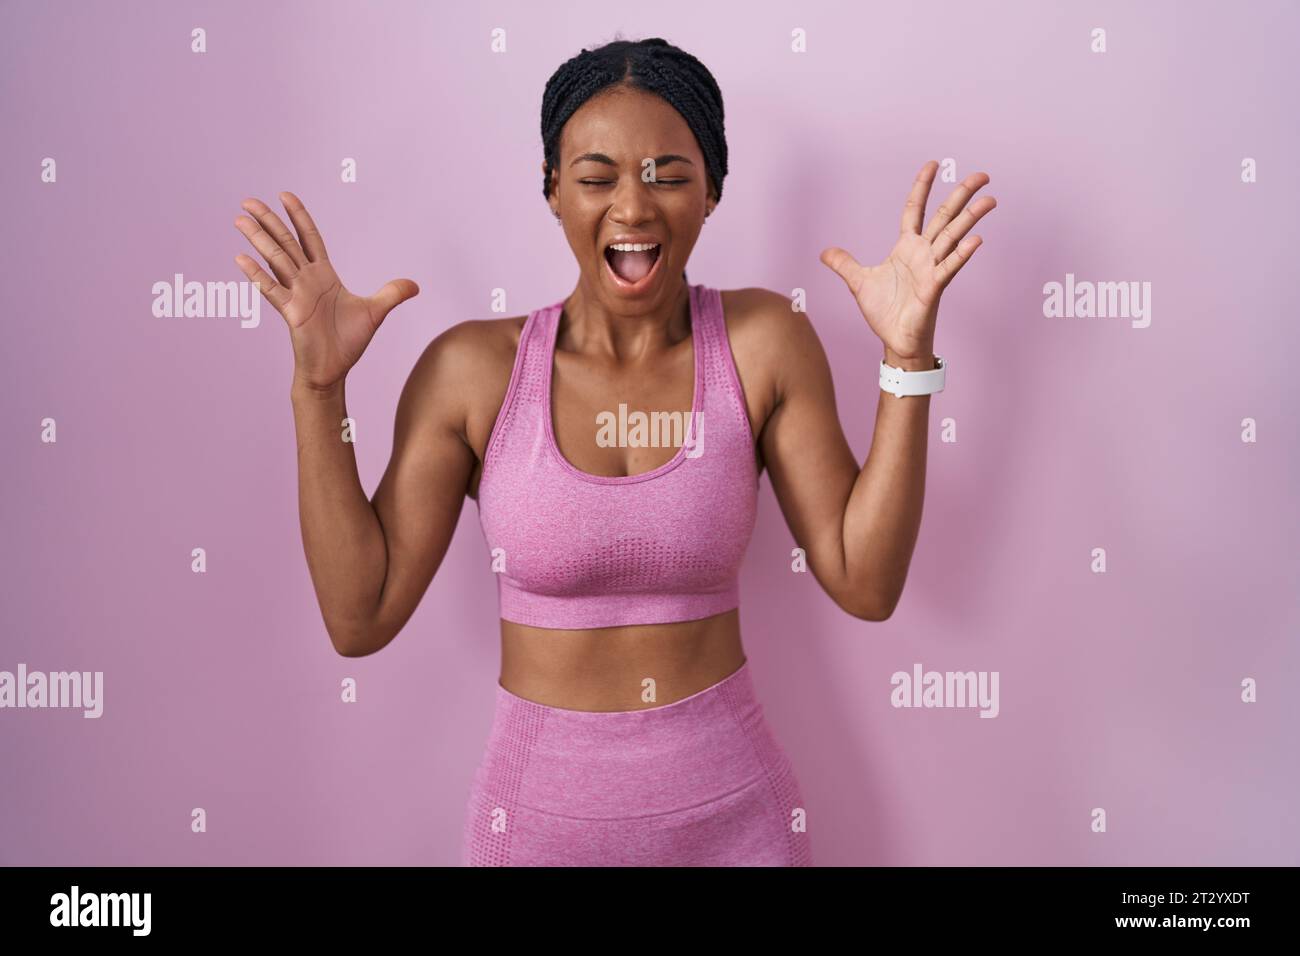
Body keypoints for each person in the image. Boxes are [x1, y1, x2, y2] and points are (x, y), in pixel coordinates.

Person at [232, 36, 994, 867]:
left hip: (737, 825)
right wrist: (318, 392)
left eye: (670, 174)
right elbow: (359, 616)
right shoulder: (471, 371)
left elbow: (865, 580)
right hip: (533, 832)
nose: (633, 207)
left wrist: (908, 361)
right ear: (554, 193)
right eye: (597, 178)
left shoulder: (764, 341)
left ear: (711, 193)